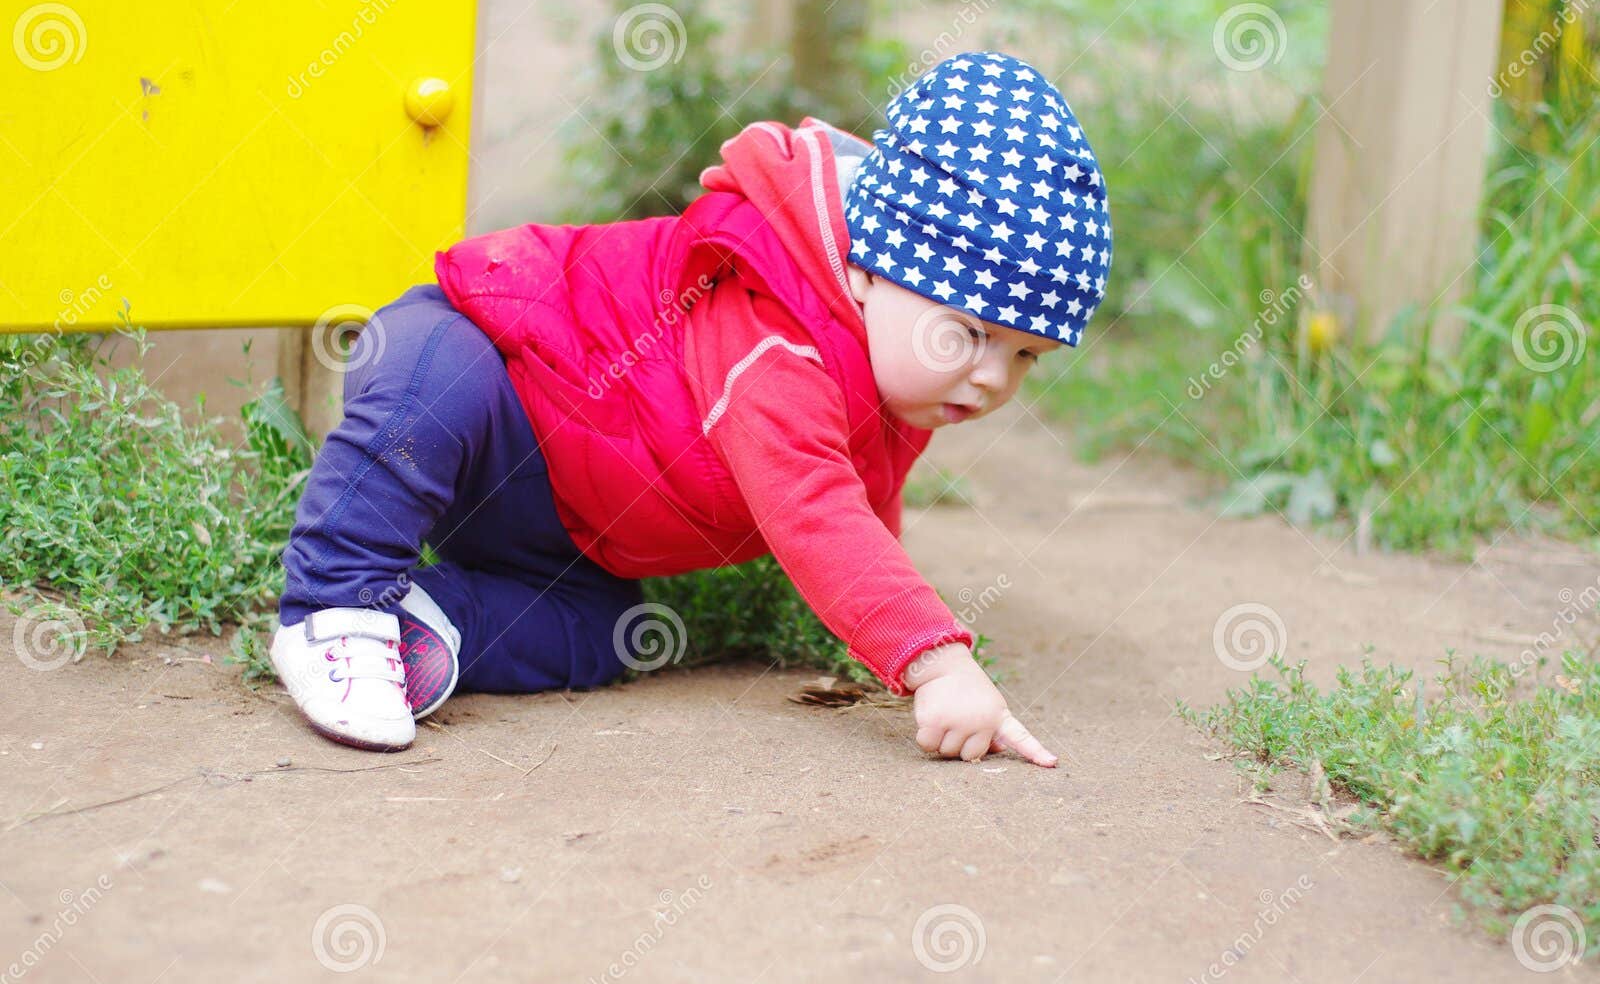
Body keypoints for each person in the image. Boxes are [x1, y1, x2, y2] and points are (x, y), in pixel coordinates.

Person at [268, 50, 1111, 766]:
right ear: (867, 271)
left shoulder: (903, 378)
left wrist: (878, 619)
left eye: (1025, 355)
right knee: (435, 387)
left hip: (565, 529)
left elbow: (860, 502)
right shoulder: (776, 339)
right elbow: (813, 507)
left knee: (603, 633)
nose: (993, 378)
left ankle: (427, 622)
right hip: (499, 382)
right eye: (966, 333)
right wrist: (931, 658)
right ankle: (334, 604)